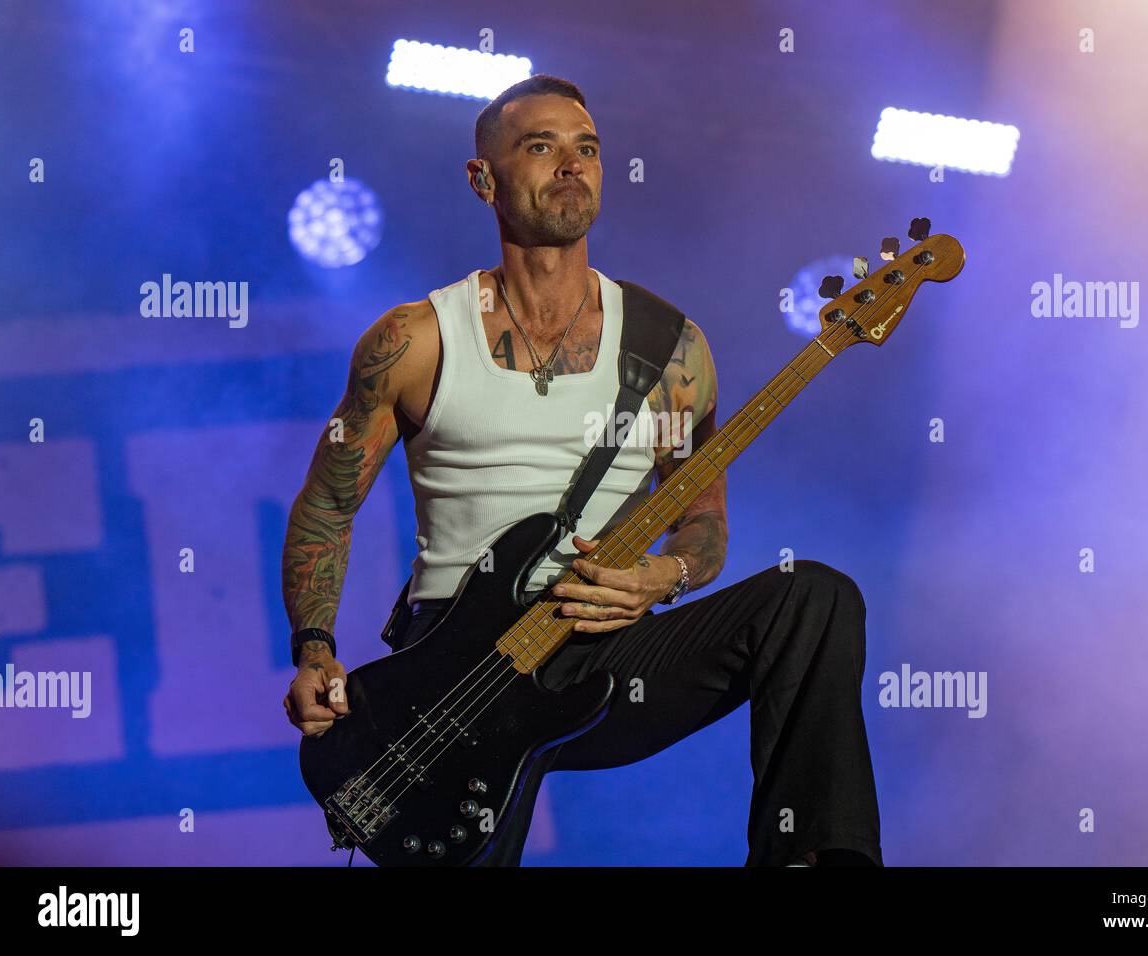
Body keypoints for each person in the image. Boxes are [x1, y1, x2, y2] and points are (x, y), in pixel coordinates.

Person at [280, 74, 881, 867]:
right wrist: (314, 649)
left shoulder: (670, 348)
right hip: (450, 669)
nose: (572, 165)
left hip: (602, 651)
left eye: (587, 149)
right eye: (542, 147)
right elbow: (327, 506)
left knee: (813, 598)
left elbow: (701, 517)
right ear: (483, 179)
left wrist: (662, 576)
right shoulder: (415, 341)